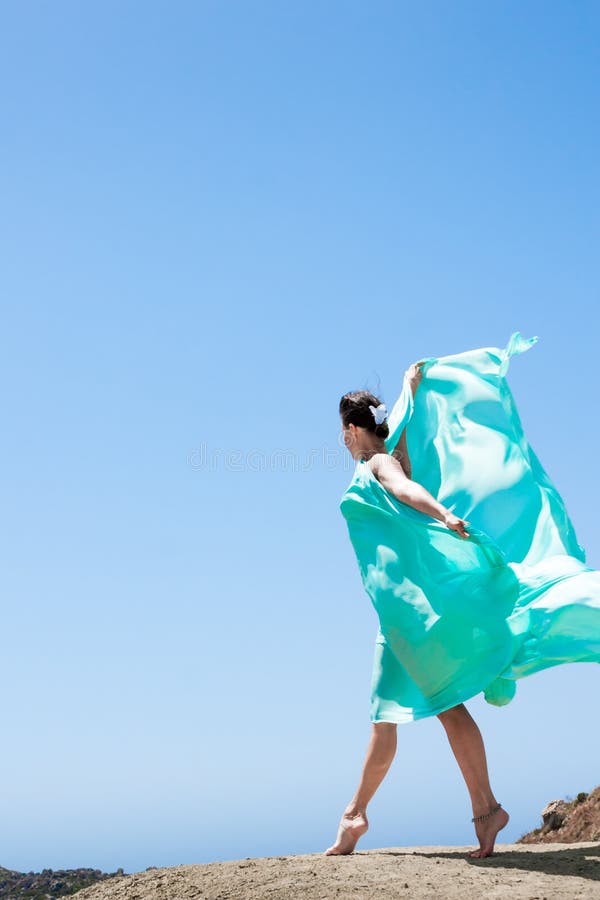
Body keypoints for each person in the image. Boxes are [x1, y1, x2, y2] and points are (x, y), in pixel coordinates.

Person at [326, 333, 600, 859]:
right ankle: (362, 816)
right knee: (390, 715)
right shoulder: (388, 451)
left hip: (414, 618)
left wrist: (444, 514)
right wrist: (408, 386)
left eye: (343, 431)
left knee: (438, 710)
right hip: (399, 621)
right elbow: (399, 438)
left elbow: (405, 488)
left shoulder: (378, 465)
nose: (342, 441)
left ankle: (467, 810)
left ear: (351, 429)